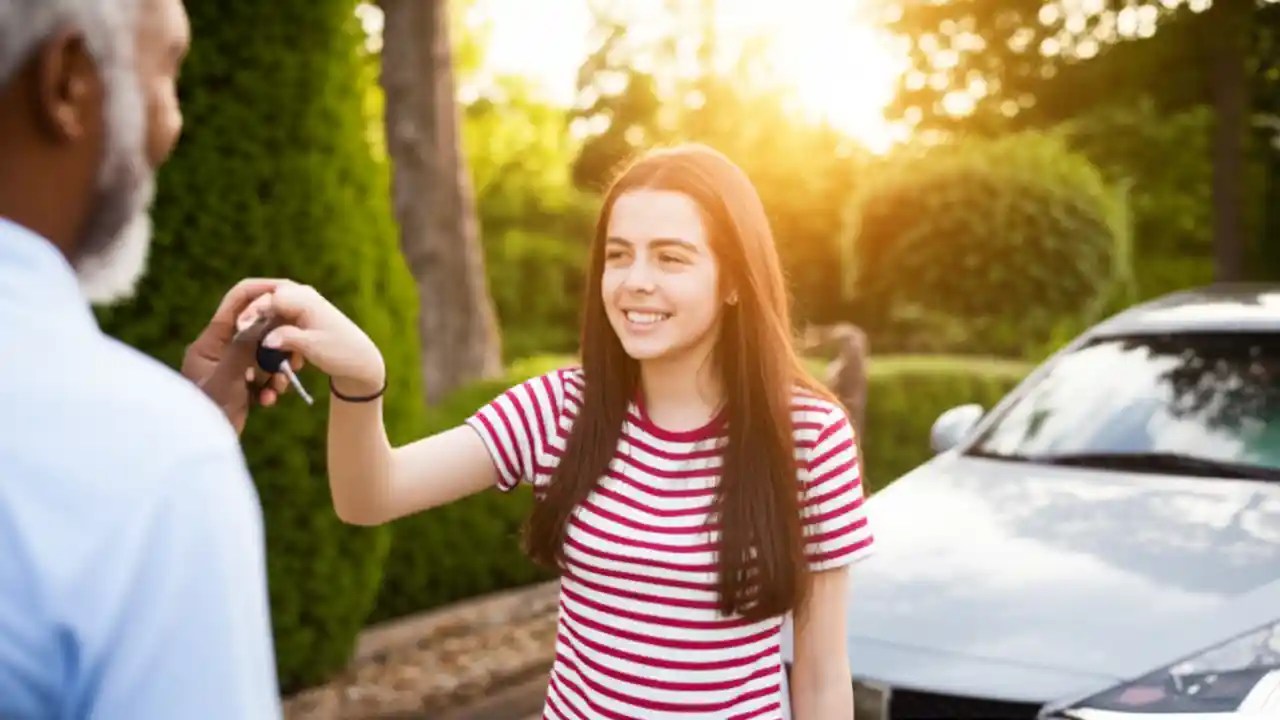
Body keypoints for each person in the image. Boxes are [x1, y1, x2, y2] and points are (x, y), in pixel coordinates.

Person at [254, 143, 875, 718]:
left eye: (671, 257)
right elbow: (370, 496)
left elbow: (820, 676)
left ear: (735, 279)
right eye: (618, 254)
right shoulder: (557, 410)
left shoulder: (809, 436)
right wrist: (363, 378)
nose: (635, 280)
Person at [0, 0, 288, 716]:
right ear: (69, 81)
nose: (174, 123)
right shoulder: (155, 466)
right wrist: (170, 441)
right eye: (167, 71)